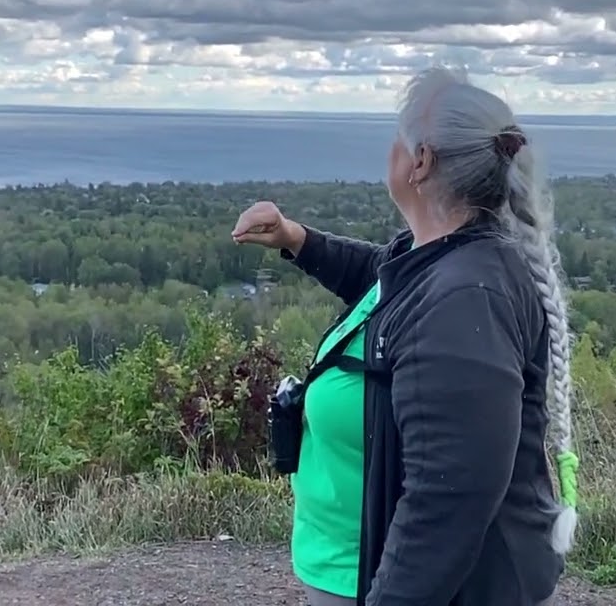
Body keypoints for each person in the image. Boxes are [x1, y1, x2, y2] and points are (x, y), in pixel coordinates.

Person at [231, 66, 579, 606]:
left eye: (399, 137)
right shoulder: (440, 262)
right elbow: (382, 280)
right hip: (352, 563)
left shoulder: (465, 300)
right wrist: (295, 239)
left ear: (421, 162)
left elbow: (447, 507)